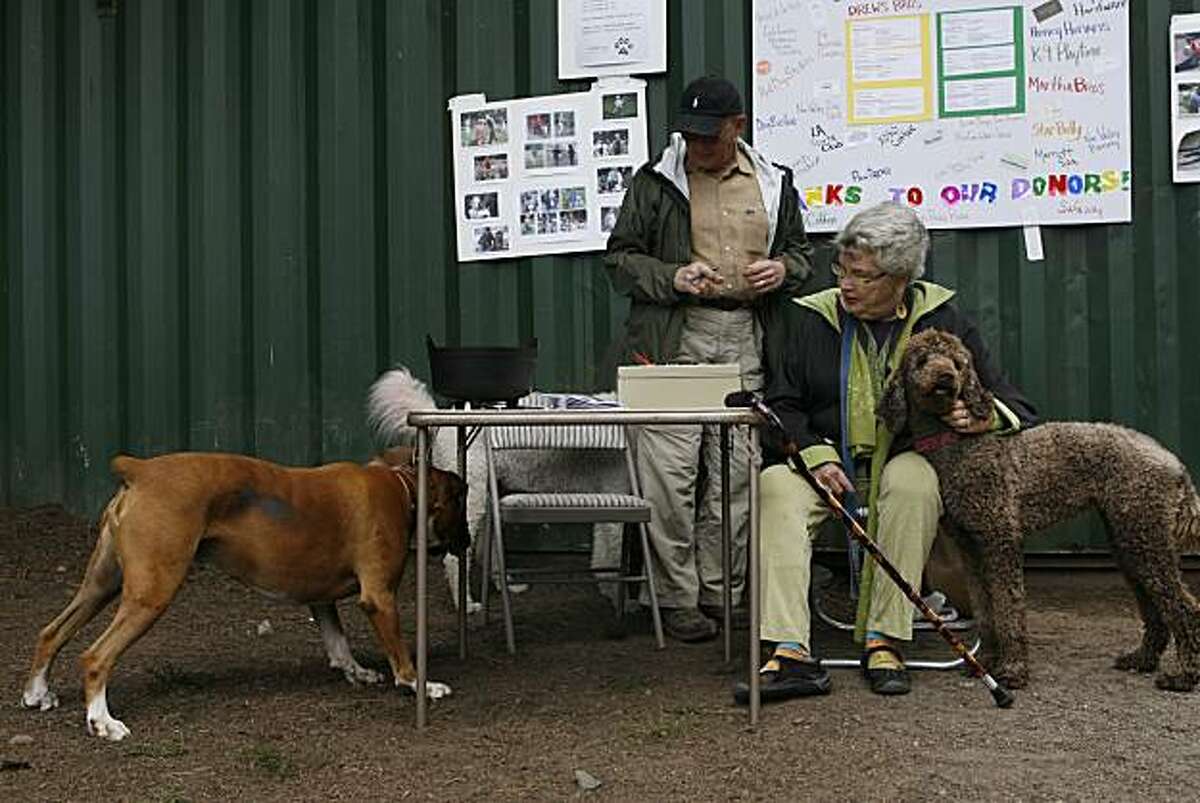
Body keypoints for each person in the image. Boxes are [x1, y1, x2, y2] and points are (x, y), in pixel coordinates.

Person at [734, 201, 1038, 703]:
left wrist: (982, 417)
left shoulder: (940, 320)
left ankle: (885, 640)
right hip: (823, 462)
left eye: (864, 276)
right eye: (842, 271)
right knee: (775, 488)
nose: (846, 285)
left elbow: (1015, 404)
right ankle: (790, 653)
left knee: (914, 483)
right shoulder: (813, 319)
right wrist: (814, 455)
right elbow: (780, 406)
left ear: (900, 280)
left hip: (906, 456)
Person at [602, 76, 814, 642]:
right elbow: (619, 260)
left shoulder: (773, 182)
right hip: (677, 334)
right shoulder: (654, 183)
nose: (697, 148)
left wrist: (784, 271)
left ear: (736, 127)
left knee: (736, 474)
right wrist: (672, 276)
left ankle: (724, 592)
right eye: (689, 136)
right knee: (669, 475)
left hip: (746, 333)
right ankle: (675, 597)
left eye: (709, 137)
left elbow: (802, 253)